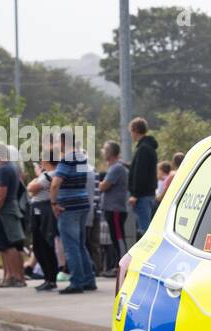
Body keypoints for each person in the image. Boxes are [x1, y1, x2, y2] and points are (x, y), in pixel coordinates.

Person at [50, 129, 96, 294]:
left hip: (68, 206)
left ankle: (76, 282)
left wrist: (53, 202)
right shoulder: (82, 158)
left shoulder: (66, 160)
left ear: (63, 142)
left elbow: (55, 183)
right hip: (82, 203)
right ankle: (89, 279)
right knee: (80, 245)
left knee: (71, 246)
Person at [0, 145, 28, 288]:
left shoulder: (4, 169)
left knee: (9, 245)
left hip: (4, 212)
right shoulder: (10, 168)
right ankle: (11, 276)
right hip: (9, 210)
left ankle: (17, 277)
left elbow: (2, 193)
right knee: (6, 246)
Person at [27, 152, 60, 291]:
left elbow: (32, 188)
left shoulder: (51, 175)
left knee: (45, 244)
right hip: (37, 209)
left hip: (44, 210)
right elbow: (31, 189)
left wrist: (35, 182)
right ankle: (48, 277)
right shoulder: (44, 174)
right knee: (38, 246)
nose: (40, 160)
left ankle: (50, 278)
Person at [97, 140, 129, 274]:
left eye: (105, 149)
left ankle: (123, 266)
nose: (103, 151)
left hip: (116, 209)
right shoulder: (114, 167)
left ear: (111, 152)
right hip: (112, 209)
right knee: (116, 238)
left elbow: (104, 186)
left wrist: (99, 184)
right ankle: (119, 266)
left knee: (118, 238)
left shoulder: (116, 168)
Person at [127, 117, 159, 240]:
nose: (131, 135)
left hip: (142, 196)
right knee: (147, 226)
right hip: (149, 194)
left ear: (135, 130)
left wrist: (134, 194)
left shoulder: (143, 149)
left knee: (144, 230)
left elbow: (140, 173)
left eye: (131, 131)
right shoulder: (149, 147)